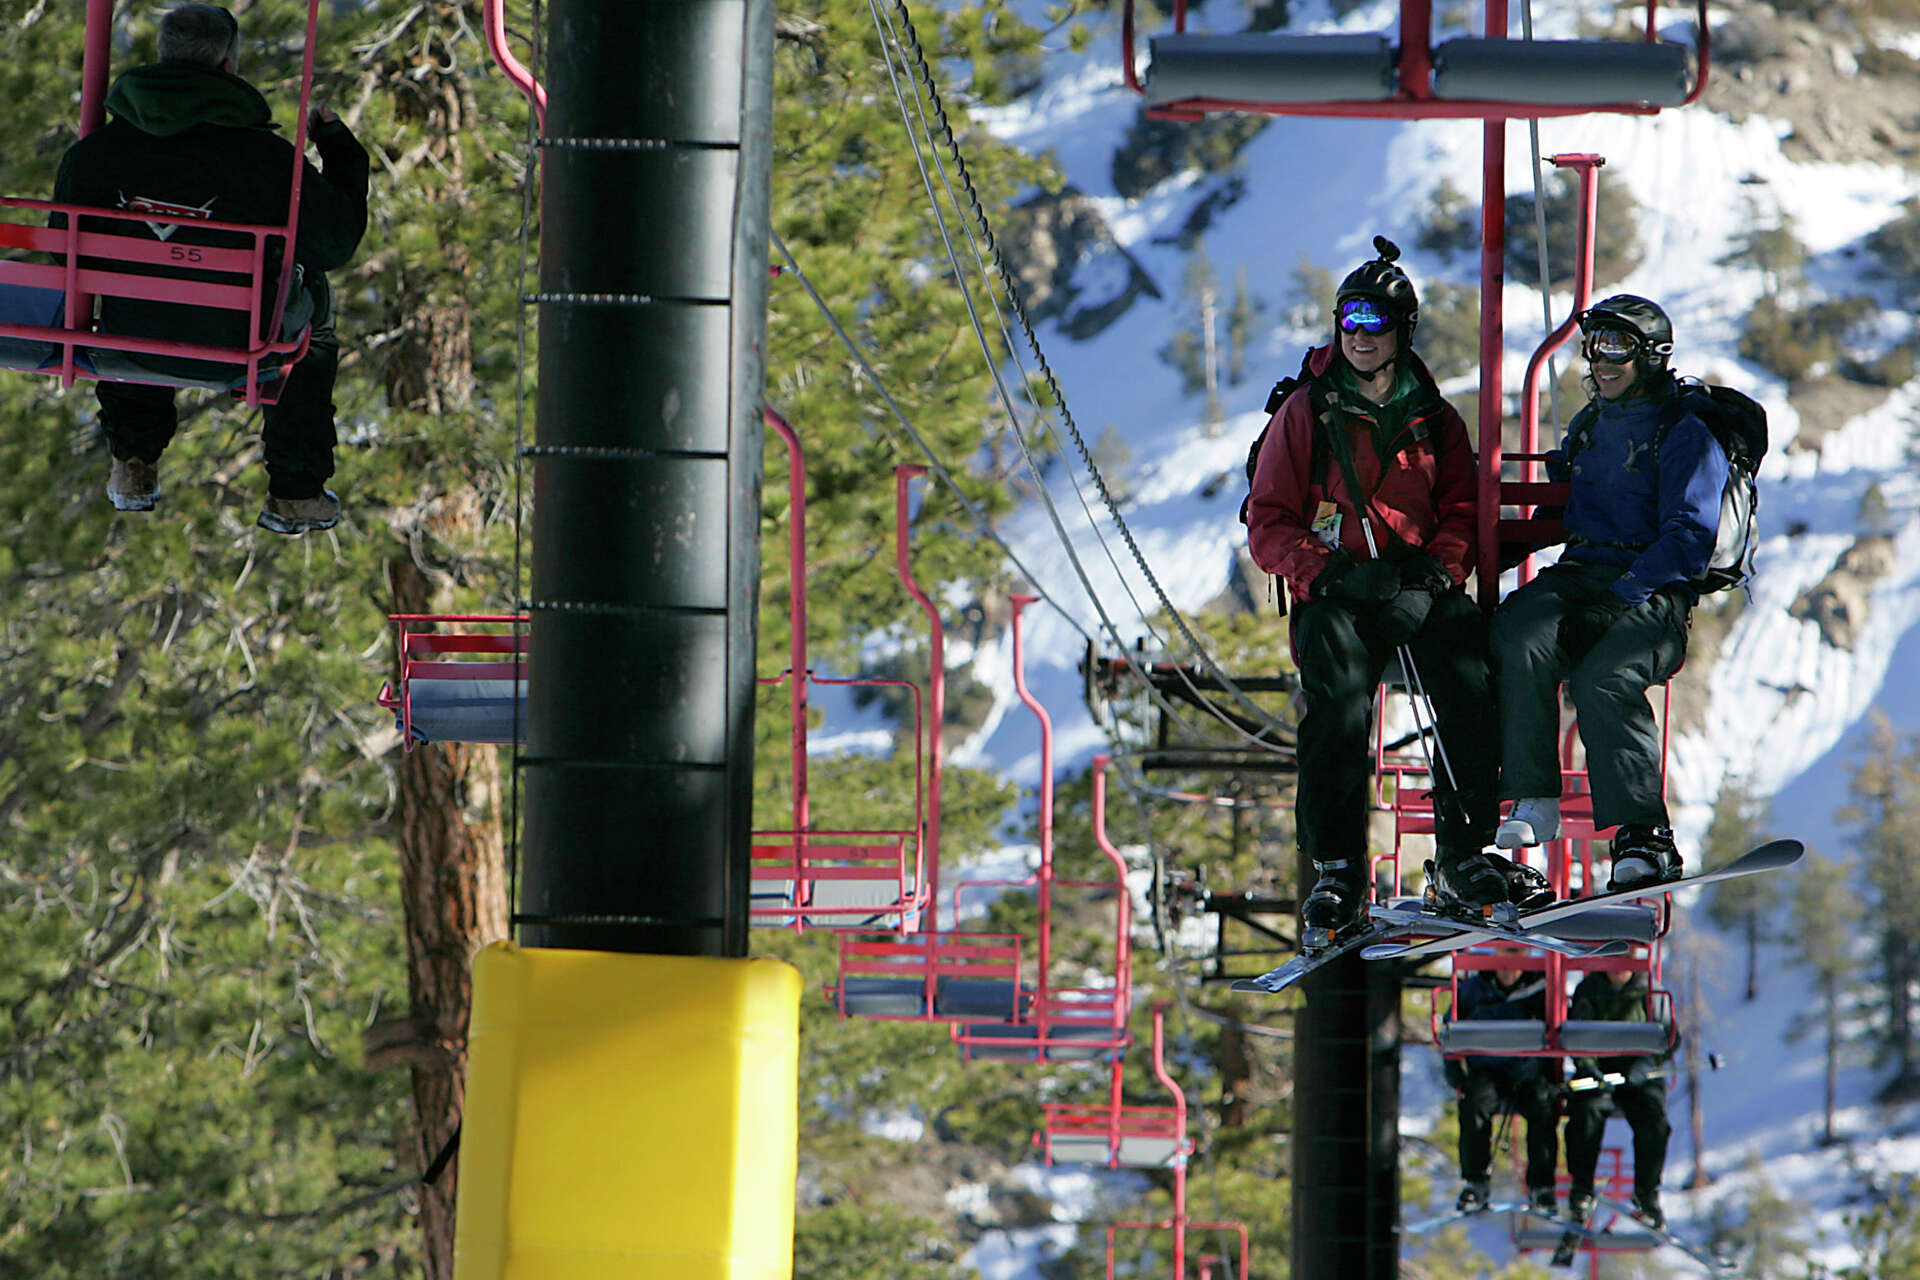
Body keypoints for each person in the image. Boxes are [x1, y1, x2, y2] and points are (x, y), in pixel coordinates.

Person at [1246, 236, 1522, 940]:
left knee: (1469, 678)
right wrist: (1332, 573)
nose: (1361, 336)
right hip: (1338, 589)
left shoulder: (1435, 419)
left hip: (1413, 584)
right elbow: (1270, 523)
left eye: (1375, 322)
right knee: (1336, 706)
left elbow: (1463, 510)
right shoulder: (1307, 413)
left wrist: (1433, 575)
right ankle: (1337, 870)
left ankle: (1463, 852)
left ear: (1403, 331)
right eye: (1349, 321)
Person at [54, 3, 369, 535]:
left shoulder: (99, 153)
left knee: (138, 297)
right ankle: (296, 488)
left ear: (162, 56)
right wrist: (339, 150)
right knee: (313, 309)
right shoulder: (265, 159)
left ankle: (134, 459)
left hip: (132, 337)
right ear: (229, 65)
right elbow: (335, 242)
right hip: (242, 342)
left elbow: (64, 249)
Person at [1489, 295, 1729, 888]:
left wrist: (1622, 595)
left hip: (1653, 590)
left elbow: (1689, 539)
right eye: (1594, 347)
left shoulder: (1685, 432)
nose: (1602, 361)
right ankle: (1532, 796)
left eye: (1618, 348)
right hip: (1582, 573)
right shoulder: (1593, 423)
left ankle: (1643, 835)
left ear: (1651, 355)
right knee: (1515, 631)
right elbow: (1576, 492)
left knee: (1605, 677)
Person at [1562, 965, 1672, 1229]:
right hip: (1600, 1073)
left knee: (1653, 1121)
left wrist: (1649, 1061)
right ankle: (1581, 1188)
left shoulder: (1651, 990)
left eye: (1625, 958)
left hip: (1638, 1075)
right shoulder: (1589, 989)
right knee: (1585, 1112)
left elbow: (1668, 1035)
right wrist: (1587, 1065)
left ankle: (1647, 1193)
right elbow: (1576, 1033)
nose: (1618, 966)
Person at [1446, 963, 1561, 1214]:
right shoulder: (1473, 990)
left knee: (1543, 1104)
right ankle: (1475, 1181)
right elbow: (1449, 1030)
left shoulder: (1541, 989)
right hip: (1487, 1071)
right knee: (1475, 1103)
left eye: (1514, 962)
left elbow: (1560, 1026)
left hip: (1528, 1073)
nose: (1509, 971)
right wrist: (1456, 1076)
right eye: (1503, 963)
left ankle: (1541, 1186)